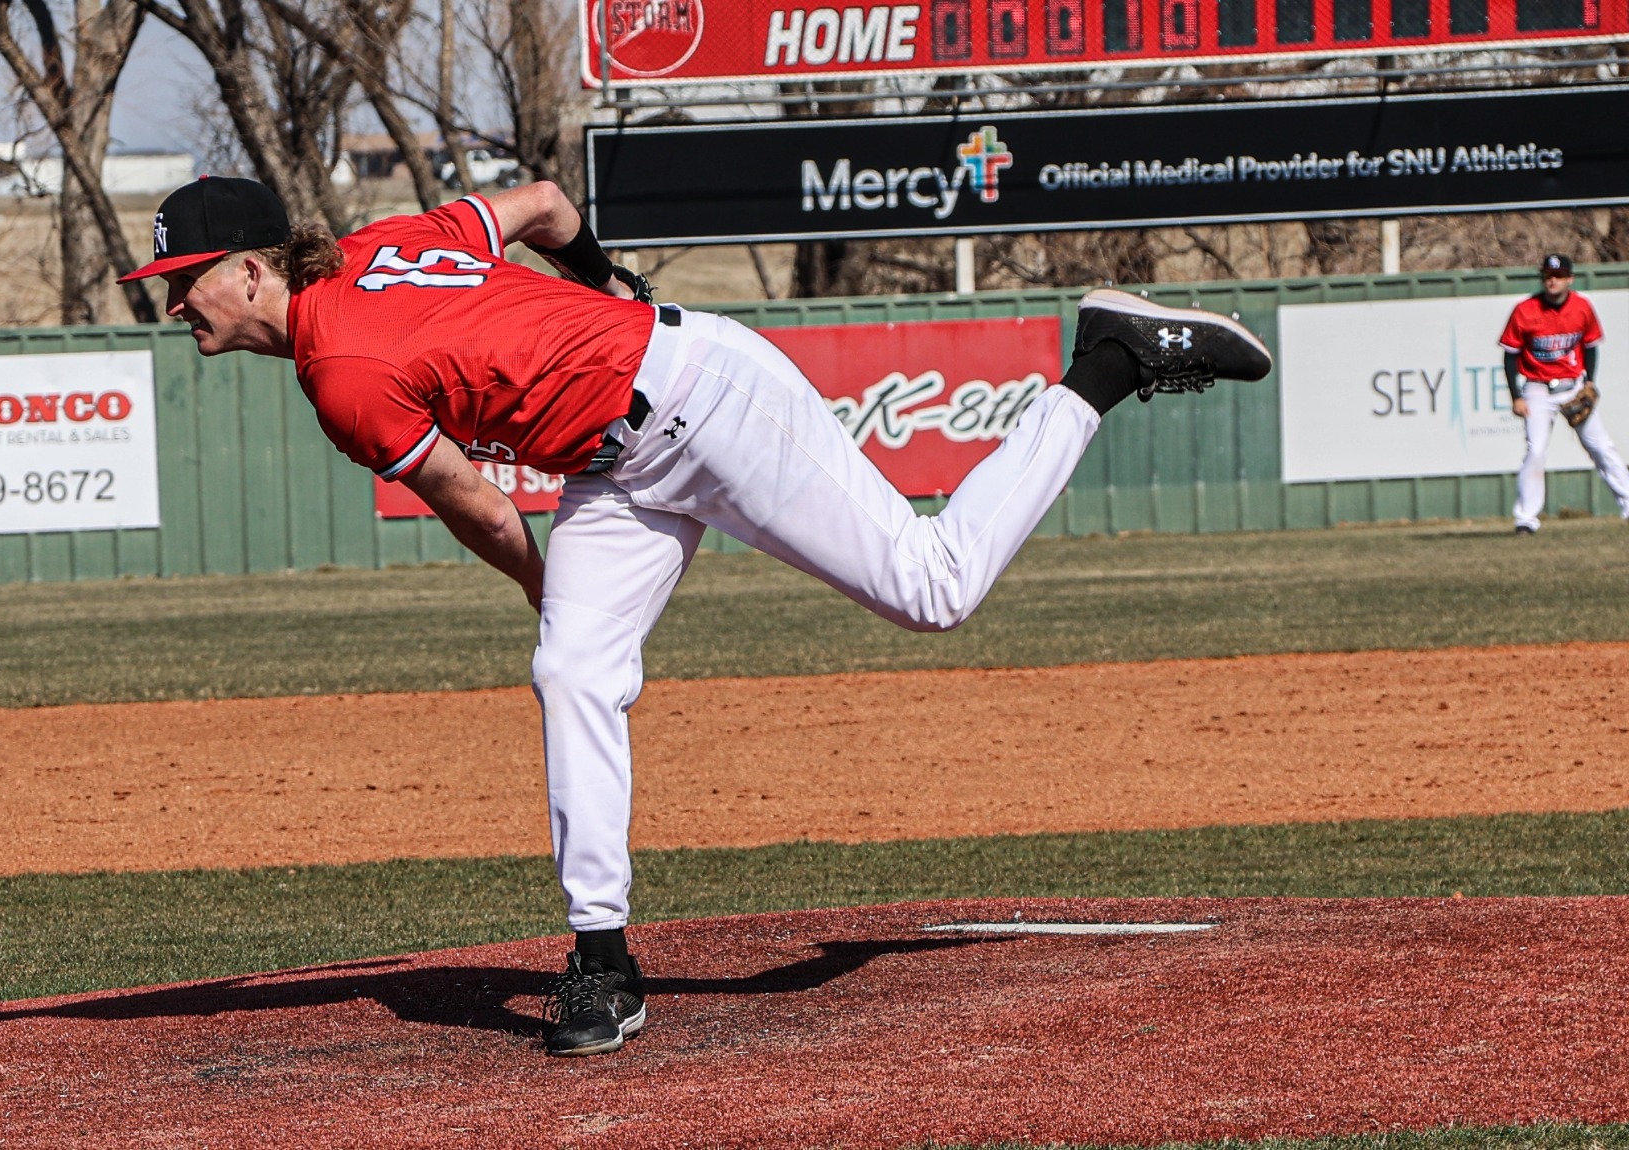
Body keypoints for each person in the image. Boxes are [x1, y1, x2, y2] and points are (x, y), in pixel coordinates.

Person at [119, 175, 1273, 1057]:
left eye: (189, 278)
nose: (175, 302)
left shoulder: (342, 373)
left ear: (260, 271)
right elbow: (542, 203)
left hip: (706, 403)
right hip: (609, 465)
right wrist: (605, 277)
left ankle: (1102, 367)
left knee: (932, 588)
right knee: (572, 668)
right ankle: (602, 958)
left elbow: (472, 505)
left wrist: (538, 576)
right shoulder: (389, 245)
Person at [1502, 253, 1629, 534]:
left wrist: (1589, 383)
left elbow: (1591, 346)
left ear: (1570, 278)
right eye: (1548, 275)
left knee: (1601, 447)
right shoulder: (1525, 310)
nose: (1553, 281)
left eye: (1558, 276)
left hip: (1573, 385)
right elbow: (1510, 356)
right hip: (1537, 388)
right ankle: (1525, 519)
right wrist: (1516, 396)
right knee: (1535, 451)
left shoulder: (1582, 307)